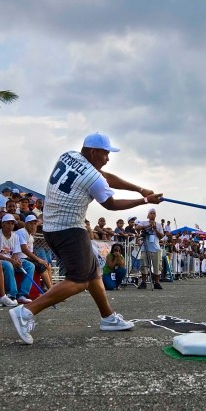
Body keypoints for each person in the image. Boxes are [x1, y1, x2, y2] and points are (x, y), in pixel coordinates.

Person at [8, 132, 161, 344]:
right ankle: (26, 311)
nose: (107, 158)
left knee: (93, 275)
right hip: (69, 229)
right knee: (79, 281)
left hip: (55, 227)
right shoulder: (92, 177)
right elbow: (110, 204)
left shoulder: (68, 155)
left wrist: (139, 188)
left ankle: (108, 317)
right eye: (105, 154)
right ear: (93, 151)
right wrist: (144, 200)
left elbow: (103, 176)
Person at [0, 214, 36, 305]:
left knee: (30, 265)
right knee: (8, 264)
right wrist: (12, 261)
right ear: (2, 224)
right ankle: (11, 294)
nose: (10, 225)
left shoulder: (15, 237)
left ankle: (22, 295)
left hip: (10, 260)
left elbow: (15, 253)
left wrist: (15, 260)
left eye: (12, 223)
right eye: (8, 223)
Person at [17, 214, 53, 292]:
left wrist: (39, 259)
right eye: (30, 223)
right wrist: (38, 260)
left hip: (26, 258)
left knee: (47, 265)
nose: (33, 226)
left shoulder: (30, 236)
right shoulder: (21, 232)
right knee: (41, 266)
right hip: (19, 258)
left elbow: (31, 252)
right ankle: (51, 291)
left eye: (34, 224)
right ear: (26, 224)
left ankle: (51, 288)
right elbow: (24, 250)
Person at [136, 209, 165, 289]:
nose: (152, 215)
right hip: (145, 247)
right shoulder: (144, 223)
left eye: (154, 213)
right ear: (148, 215)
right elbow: (137, 228)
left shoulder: (159, 225)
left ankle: (157, 282)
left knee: (157, 266)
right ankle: (144, 282)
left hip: (155, 248)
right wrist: (148, 226)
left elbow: (161, 236)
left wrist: (155, 229)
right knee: (143, 265)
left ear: (155, 215)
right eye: (151, 213)